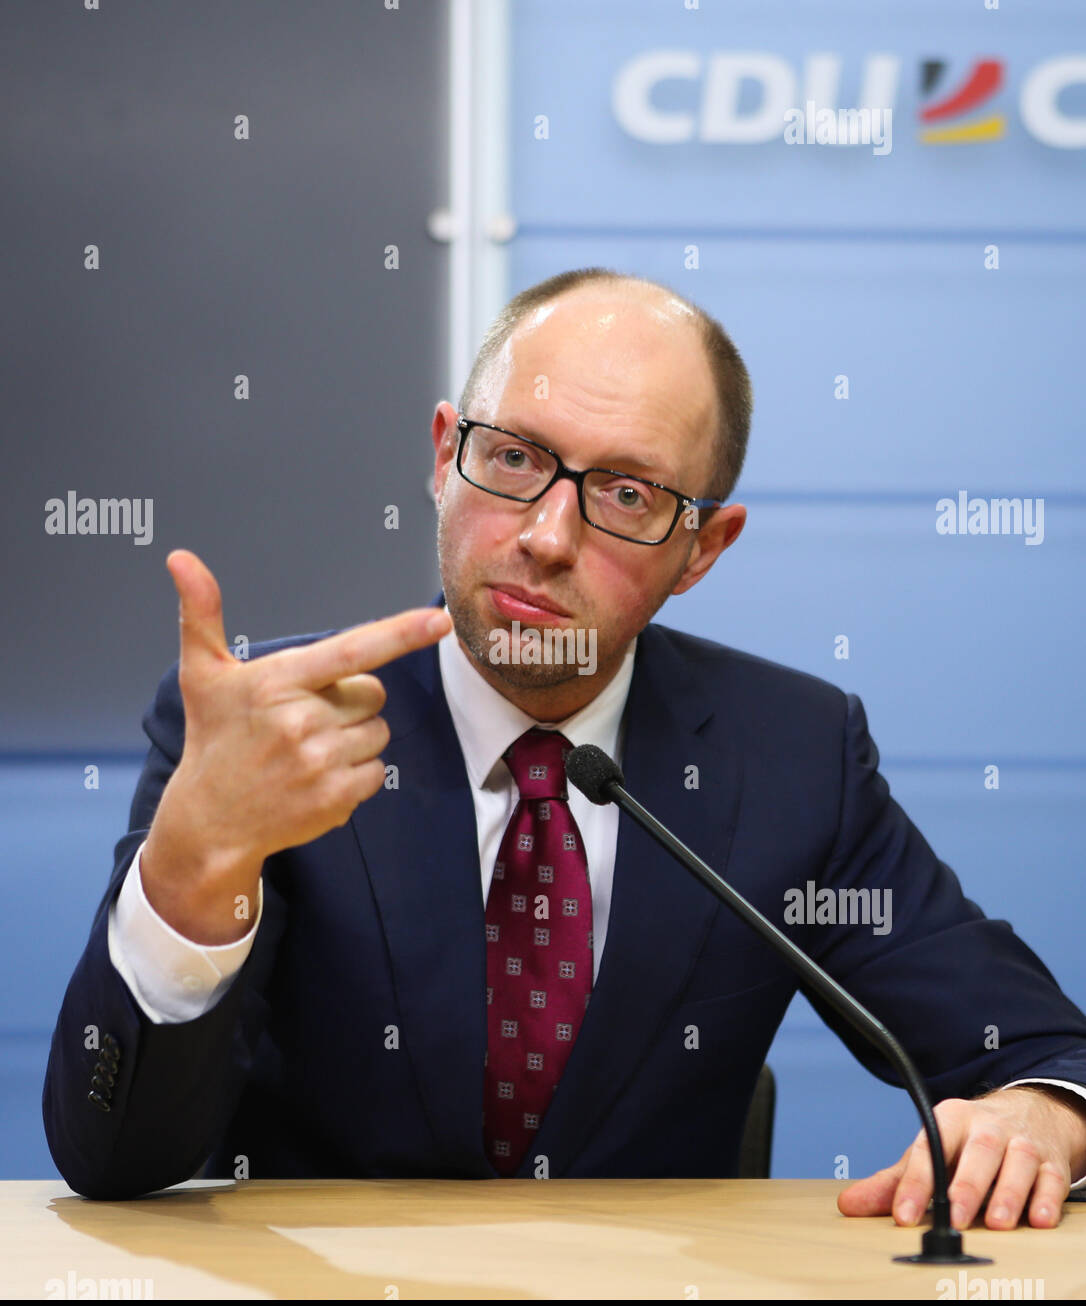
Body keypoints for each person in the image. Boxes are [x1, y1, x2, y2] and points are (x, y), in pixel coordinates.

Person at [44, 269, 1086, 1232]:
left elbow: (1041, 1052)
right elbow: (114, 1157)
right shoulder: (271, 730)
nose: (546, 536)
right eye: (514, 459)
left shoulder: (792, 755)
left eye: (627, 493)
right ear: (444, 455)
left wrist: (1039, 1113)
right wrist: (193, 867)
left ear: (702, 549)